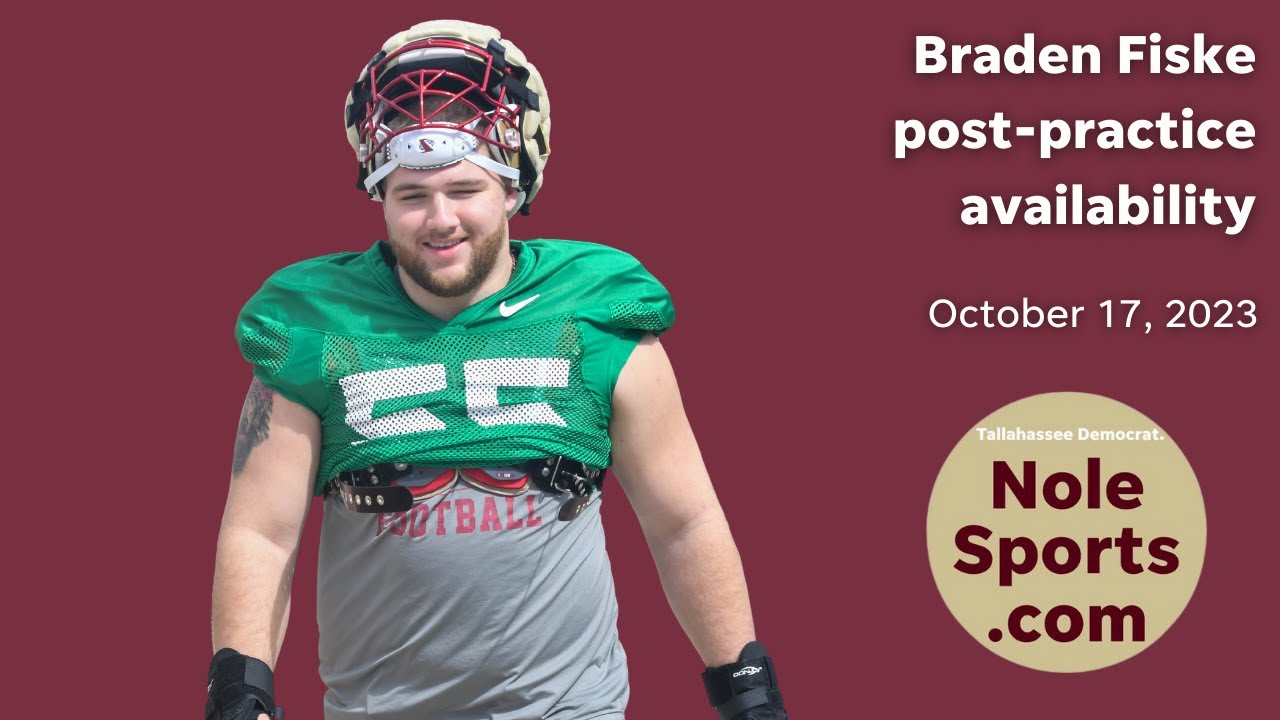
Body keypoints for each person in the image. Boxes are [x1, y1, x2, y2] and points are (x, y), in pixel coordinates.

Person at [206, 19, 788, 720]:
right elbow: (261, 533)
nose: (440, 219)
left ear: (513, 190)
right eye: (412, 195)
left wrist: (747, 691)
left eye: (464, 189)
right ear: (380, 200)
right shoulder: (316, 324)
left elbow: (682, 520)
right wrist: (241, 694)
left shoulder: (594, 312)